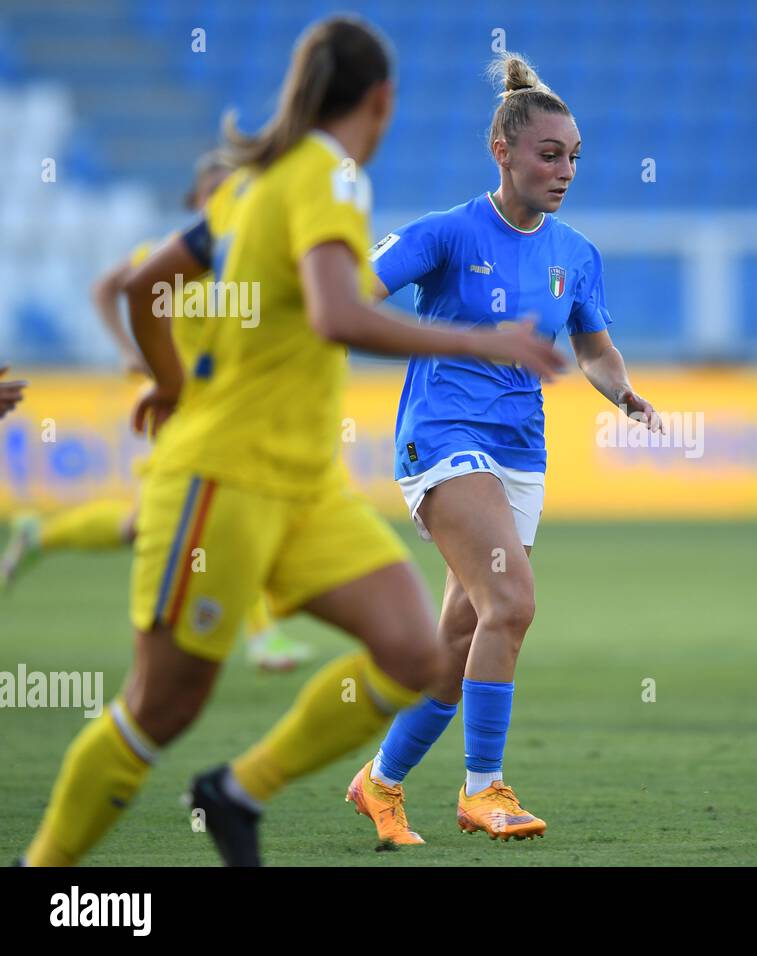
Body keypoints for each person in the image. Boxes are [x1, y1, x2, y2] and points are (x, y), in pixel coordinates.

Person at [18, 15, 563, 867]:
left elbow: (146, 283)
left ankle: (238, 792)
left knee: (416, 653)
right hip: (224, 478)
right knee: (160, 707)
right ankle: (44, 871)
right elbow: (335, 313)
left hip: (305, 487)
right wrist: (480, 340)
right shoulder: (331, 176)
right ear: (379, 101)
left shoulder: (254, 180)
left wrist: (163, 379)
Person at [344, 51, 662, 845]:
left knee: (460, 642)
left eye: (574, 158)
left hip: (520, 452)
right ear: (504, 152)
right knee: (512, 603)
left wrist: (619, 388)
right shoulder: (446, 234)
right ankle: (484, 789)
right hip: (443, 441)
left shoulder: (575, 254)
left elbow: (593, 347)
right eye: (550, 155)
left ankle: (379, 783)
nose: (565, 171)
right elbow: (351, 299)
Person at [1, 154, 309, 670]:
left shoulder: (246, 262)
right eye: (213, 193)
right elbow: (109, 288)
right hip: (180, 409)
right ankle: (262, 635)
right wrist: (128, 350)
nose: (222, 203)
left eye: (231, 192)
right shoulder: (168, 257)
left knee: (143, 525)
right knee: (229, 508)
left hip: (226, 409)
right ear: (195, 202)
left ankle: (39, 533)